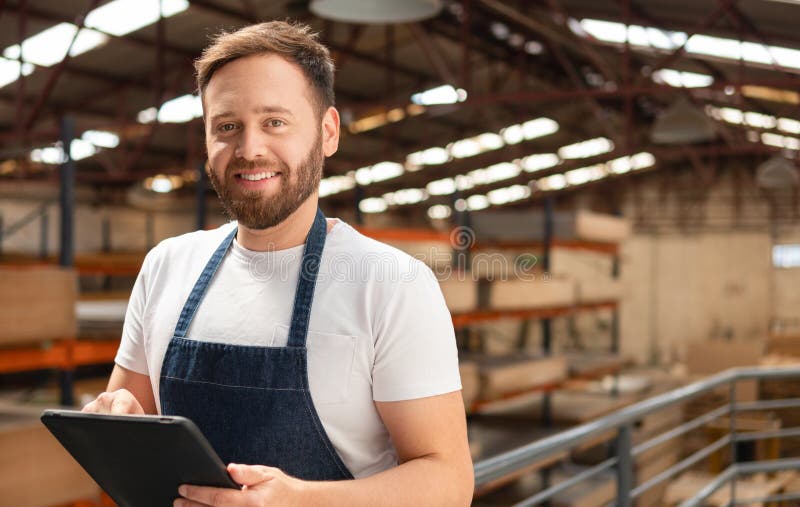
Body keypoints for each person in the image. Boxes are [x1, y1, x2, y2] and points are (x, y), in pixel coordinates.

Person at [82, 20, 474, 506]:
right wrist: (114, 419)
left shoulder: (390, 283)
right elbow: (128, 419)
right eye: (227, 127)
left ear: (328, 132)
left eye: (275, 122)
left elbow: (449, 483)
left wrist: (298, 501)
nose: (250, 149)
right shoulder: (167, 266)